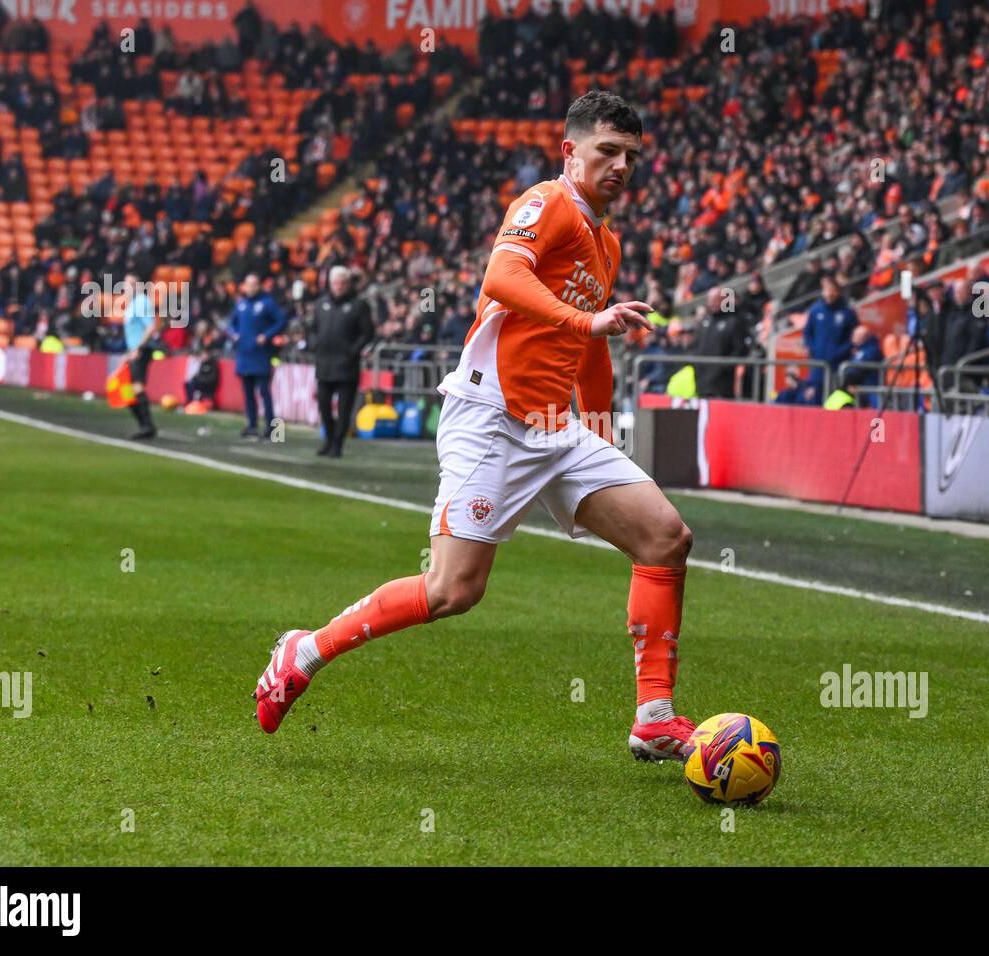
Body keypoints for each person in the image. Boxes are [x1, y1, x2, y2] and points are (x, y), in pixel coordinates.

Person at [251, 91, 698, 761]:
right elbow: (503, 273)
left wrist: (600, 429)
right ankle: (304, 650)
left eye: (632, 155)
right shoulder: (545, 203)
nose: (622, 166)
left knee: (665, 537)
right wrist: (586, 320)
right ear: (570, 151)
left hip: (556, 426)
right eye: (608, 151)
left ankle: (654, 716)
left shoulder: (606, 239)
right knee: (453, 590)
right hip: (491, 418)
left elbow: (594, 343)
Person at [308, 265, 373, 457]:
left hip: (346, 366)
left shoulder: (359, 305)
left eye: (342, 282)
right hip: (324, 364)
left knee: (344, 409)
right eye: (335, 282)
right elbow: (312, 329)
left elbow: (367, 332)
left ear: (348, 283)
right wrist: (314, 344)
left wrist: (353, 351)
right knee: (324, 406)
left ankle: (337, 444)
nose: (338, 286)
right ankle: (328, 438)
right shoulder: (321, 304)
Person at [227, 273, 287, 439]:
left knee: (264, 392)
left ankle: (271, 427)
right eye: (248, 284)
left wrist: (266, 336)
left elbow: (282, 321)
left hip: (261, 355)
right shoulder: (241, 304)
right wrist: (234, 334)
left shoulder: (267, 303)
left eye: (254, 284)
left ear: (259, 285)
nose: (250, 287)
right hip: (244, 354)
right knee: (247, 392)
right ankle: (252, 424)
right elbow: (231, 323)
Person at [801, 275, 857, 405]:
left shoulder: (846, 312)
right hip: (818, 365)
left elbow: (853, 337)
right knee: (815, 397)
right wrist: (813, 349)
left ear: (837, 291)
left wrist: (840, 352)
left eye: (832, 291)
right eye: (827, 290)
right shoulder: (816, 310)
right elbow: (807, 333)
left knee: (834, 400)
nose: (829, 294)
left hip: (838, 366)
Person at [121, 274, 159, 440]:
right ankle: (145, 425)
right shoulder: (131, 304)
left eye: (131, 284)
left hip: (141, 350)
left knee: (136, 387)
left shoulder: (141, 302)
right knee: (128, 390)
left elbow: (150, 328)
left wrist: (137, 348)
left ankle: (147, 425)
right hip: (134, 350)